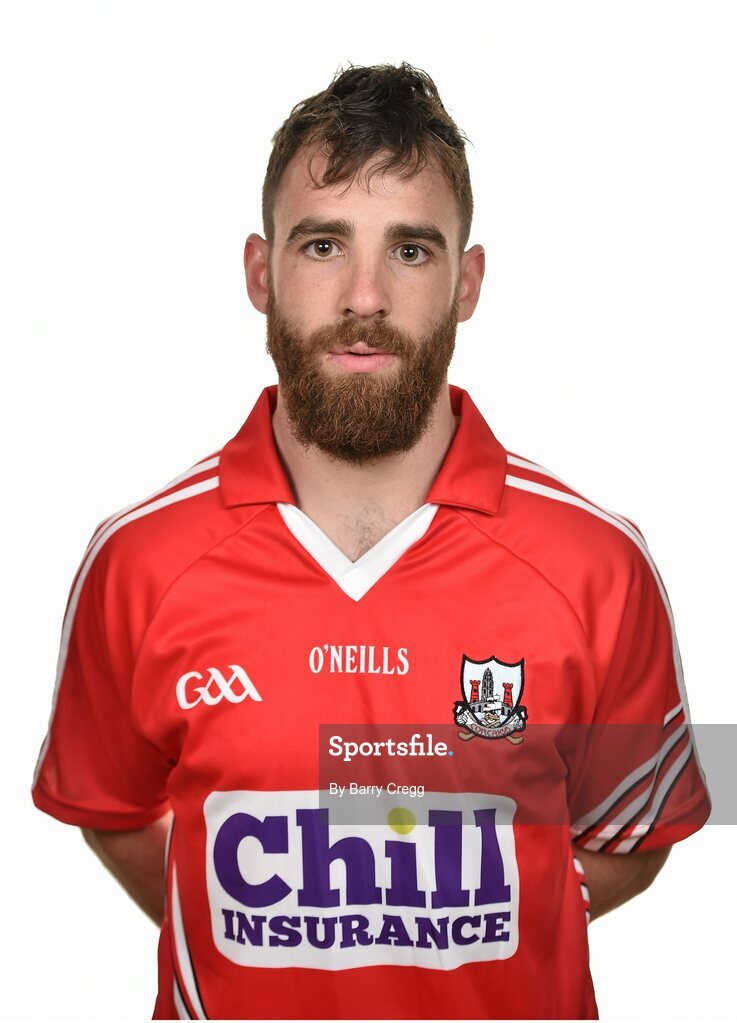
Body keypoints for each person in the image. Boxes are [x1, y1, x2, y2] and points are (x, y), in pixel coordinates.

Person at [31, 62, 711, 1020]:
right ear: (261, 272)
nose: (363, 296)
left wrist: (482, 923)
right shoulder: (139, 562)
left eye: (410, 250)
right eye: (322, 244)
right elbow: (116, 813)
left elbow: (634, 835)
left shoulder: (595, 564)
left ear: (466, 282)